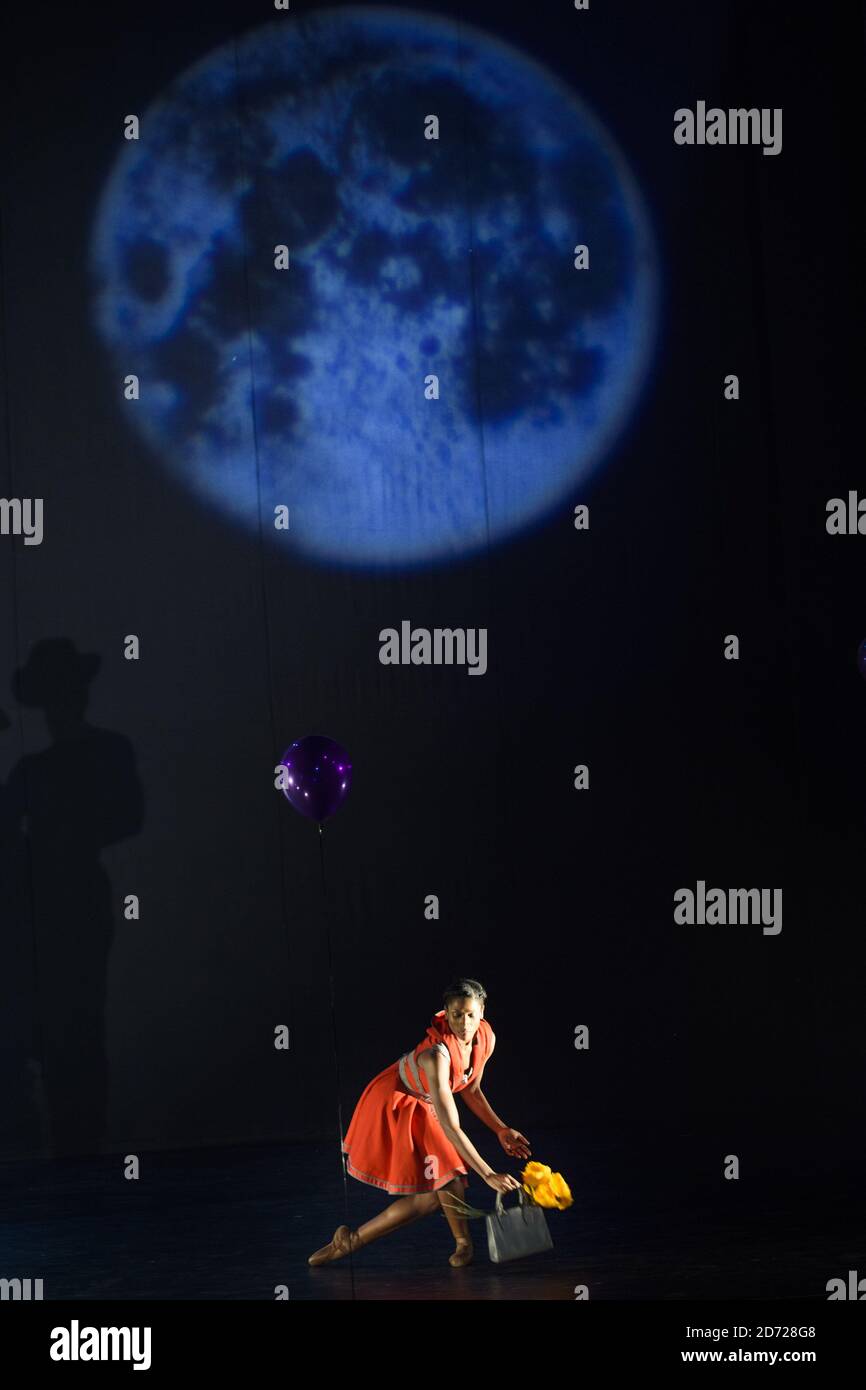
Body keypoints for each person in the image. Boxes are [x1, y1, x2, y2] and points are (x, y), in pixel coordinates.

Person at [308, 978, 531, 1268]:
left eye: (471, 1015)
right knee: (448, 1171)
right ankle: (463, 1243)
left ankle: (350, 1241)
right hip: (397, 1098)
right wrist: (488, 1174)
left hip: (426, 1100)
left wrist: (500, 1128)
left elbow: (471, 1088)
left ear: (482, 1012)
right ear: (445, 1013)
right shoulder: (436, 1056)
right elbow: (452, 1127)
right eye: (456, 1015)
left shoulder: (485, 1037)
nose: (464, 1023)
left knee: (430, 1199)